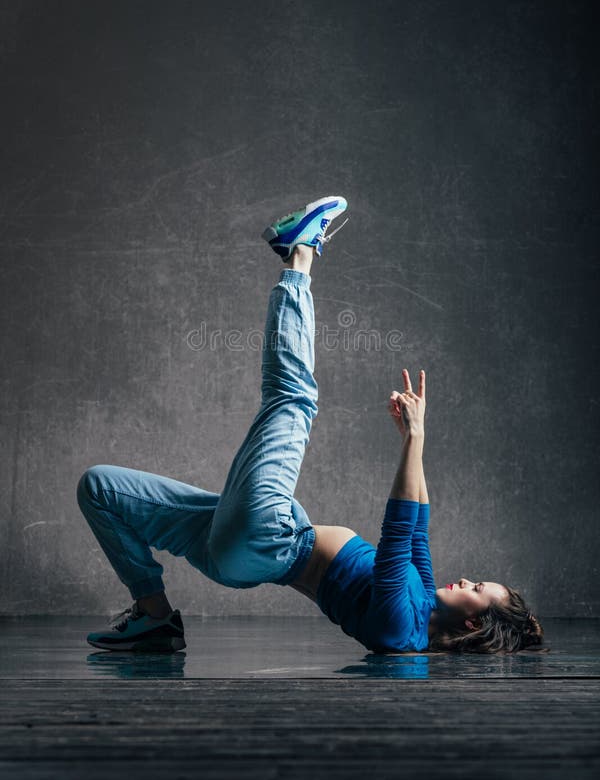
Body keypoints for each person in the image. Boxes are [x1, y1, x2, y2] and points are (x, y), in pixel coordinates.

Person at [77, 195, 544, 655]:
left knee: (294, 396)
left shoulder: (403, 631)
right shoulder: (421, 600)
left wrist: (417, 439)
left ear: (472, 620)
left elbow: (399, 531)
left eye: (477, 586)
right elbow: (417, 528)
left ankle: (300, 254)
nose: (466, 578)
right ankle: (154, 617)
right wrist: (410, 436)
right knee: (99, 488)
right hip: (249, 549)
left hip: (268, 536)